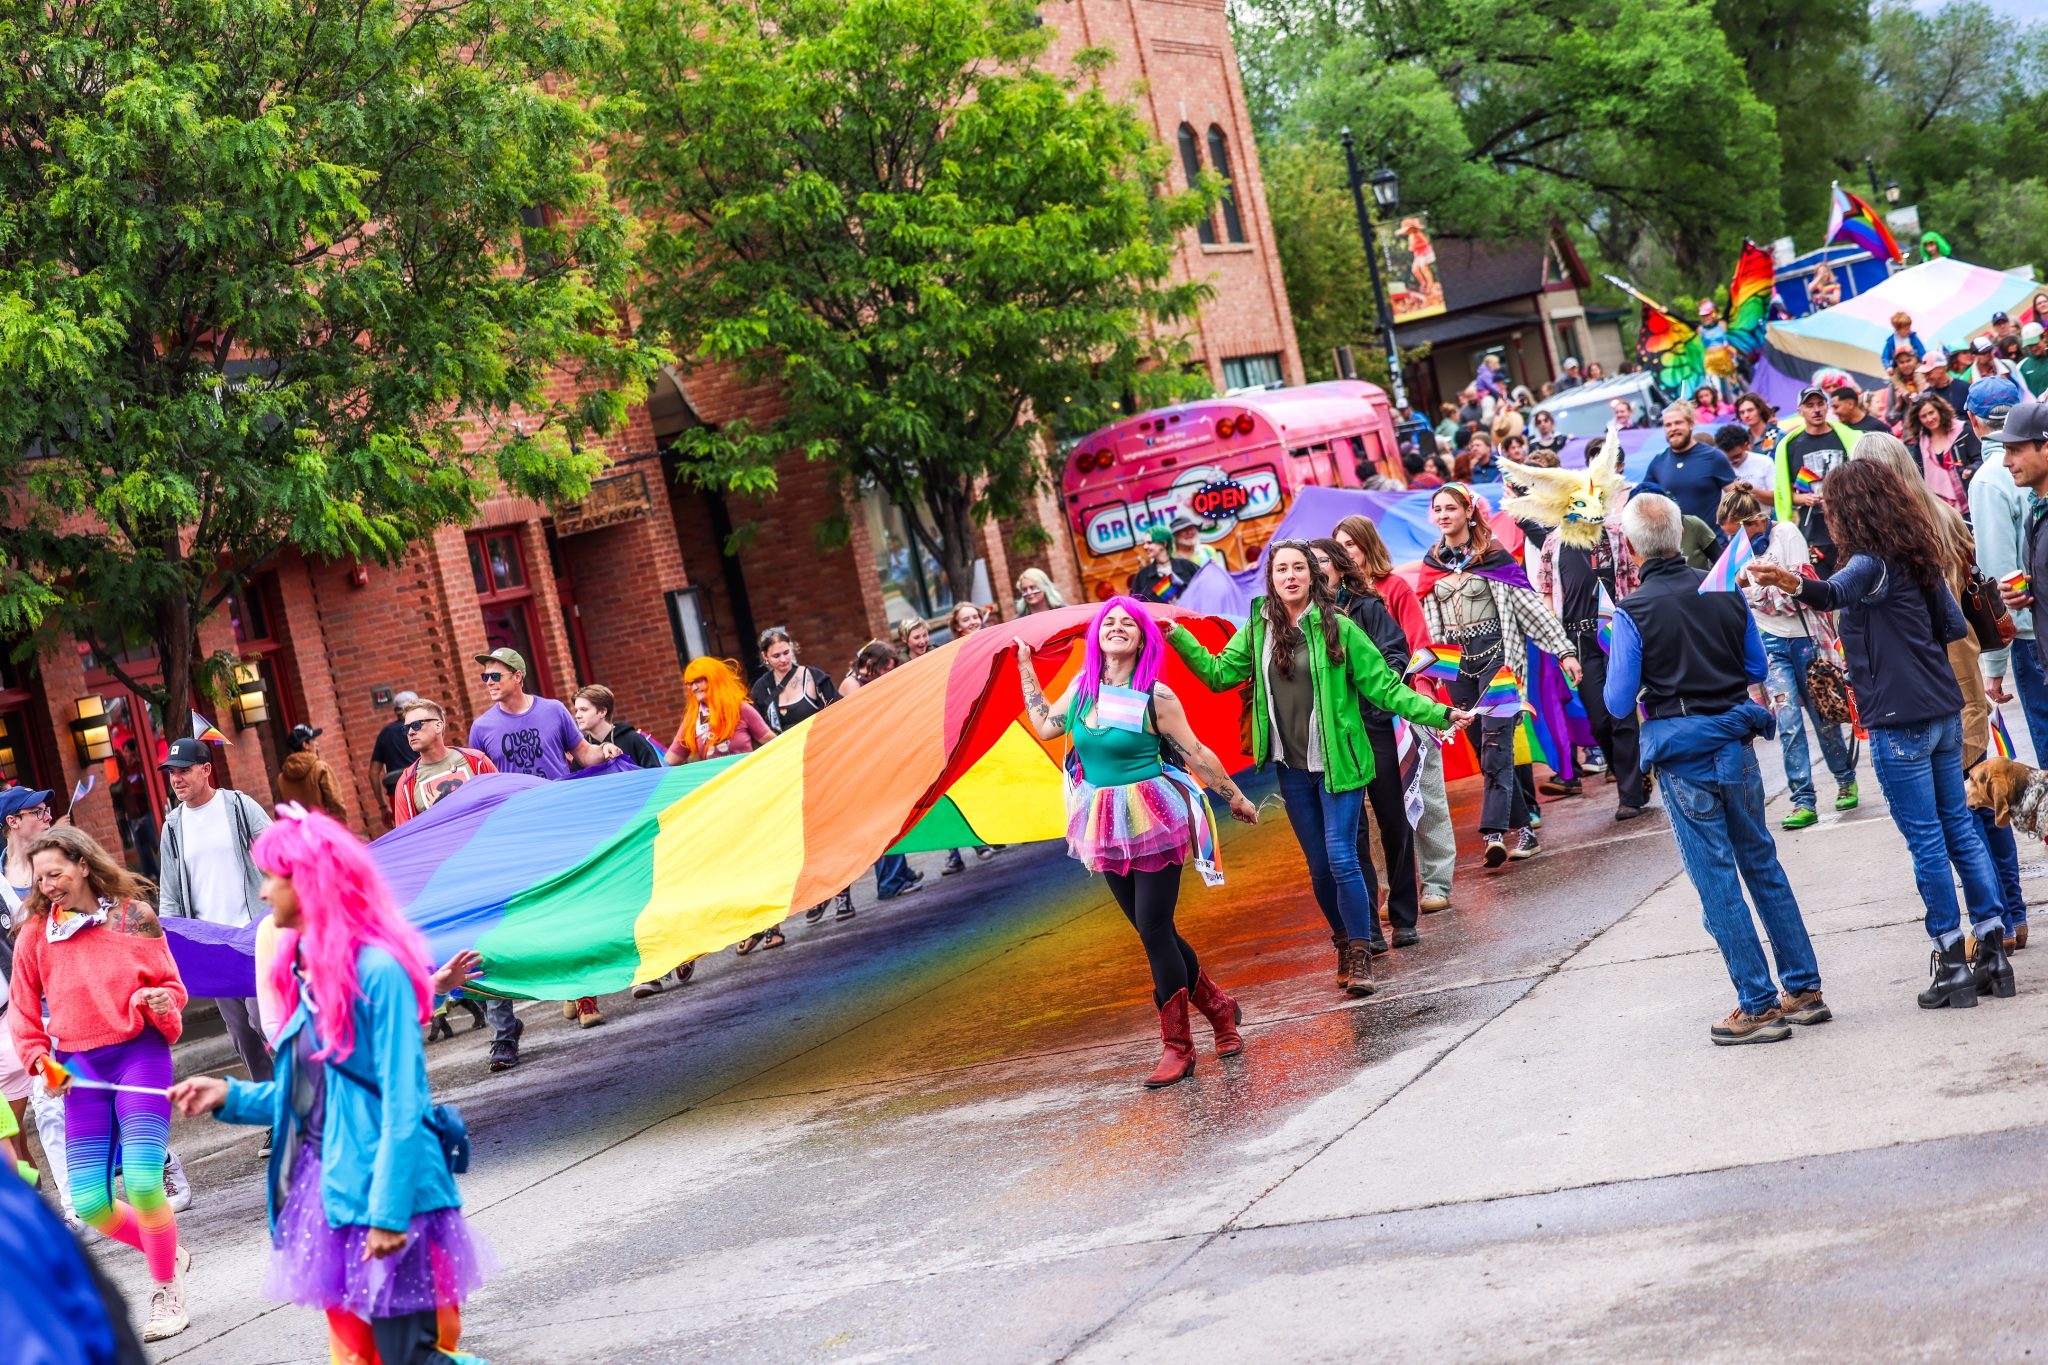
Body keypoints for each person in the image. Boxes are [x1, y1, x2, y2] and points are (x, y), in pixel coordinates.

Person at [168, 807, 491, 1363]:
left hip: (389, 1191)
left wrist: (389, 1212)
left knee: (413, 1356)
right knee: (366, 1355)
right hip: (339, 1192)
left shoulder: (377, 971)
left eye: (274, 877)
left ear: (311, 883)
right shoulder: (311, 974)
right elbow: (308, 1097)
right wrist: (230, 1096)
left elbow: (402, 1103)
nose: (264, 893)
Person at [1750, 457, 2010, 1010]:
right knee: (1959, 829)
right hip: (1942, 710)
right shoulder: (1920, 558)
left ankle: (1951, 963)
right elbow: (1952, 626)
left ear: (1850, 511)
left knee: (1928, 841)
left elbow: (1830, 595)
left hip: (1901, 721)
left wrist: (1790, 580)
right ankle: (1993, 950)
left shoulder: (1869, 563)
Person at [1169, 543, 1470, 994]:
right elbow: (1217, 675)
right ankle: (1345, 943)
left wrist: (1441, 714)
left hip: (1340, 763)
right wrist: (1176, 634)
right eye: (1281, 569)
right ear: (1271, 578)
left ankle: (1363, 953)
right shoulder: (1258, 629)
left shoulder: (1339, 628)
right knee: (1318, 868)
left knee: (1341, 857)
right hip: (1291, 767)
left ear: (1312, 575)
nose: (1289, 576)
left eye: (1297, 568)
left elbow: (1387, 690)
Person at [1606, 495, 1826, 1045]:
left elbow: (1615, 701)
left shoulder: (1633, 609)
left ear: (1632, 548)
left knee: (1717, 880)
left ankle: (1757, 1002)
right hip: (1734, 741)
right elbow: (1755, 664)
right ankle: (1803, 990)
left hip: (1684, 751)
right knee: (1761, 864)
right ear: (1680, 535)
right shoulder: (1721, 588)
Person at [1014, 601, 1256, 1086]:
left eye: (1129, 623)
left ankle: (1177, 1048)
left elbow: (1198, 752)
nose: (1118, 628)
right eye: (1110, 623)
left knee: (1152, 927)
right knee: (1154, 931)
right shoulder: (1082, 691)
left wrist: (1235, 797)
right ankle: (1219, 1007)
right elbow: (1044, 724)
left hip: (1154, 815)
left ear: (1143, 639)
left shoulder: (1155, 695)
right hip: (1102, 819)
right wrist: (1025, 666)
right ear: (1097, 636)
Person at [10, 827, 191, 1339]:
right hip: (79, 1069)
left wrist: (161, 1003)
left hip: (139, 1055)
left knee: (140, 1179)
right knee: (90, 1202)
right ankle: (167, 1250)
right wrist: (47, 1069)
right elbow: (23, 1020)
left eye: (56, 874)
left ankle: (165, 1292)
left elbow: (173, 987)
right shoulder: (35, 936)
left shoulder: (134, 916)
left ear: (83, 865)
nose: (47, 886)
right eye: (39, 878)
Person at [1858, 432, 2027, 950]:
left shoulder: (1896, 534)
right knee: (1987, 803)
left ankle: (1989, 924)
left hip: (1930, 676)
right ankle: (2011, 917)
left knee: (1959, 810)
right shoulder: (1941, 512)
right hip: (1965, 665)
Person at [1418, 486, 1580, 864]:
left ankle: (1492, 831)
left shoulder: (1493, 556)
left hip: (1499, 660)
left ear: (1469, 512)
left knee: (1497, 745)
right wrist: (1428, 678)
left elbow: (1530, 609)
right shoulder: (1433, 563)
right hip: (1458, 667)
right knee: (1481, 745)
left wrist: (1564, 651)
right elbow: (1430, 626)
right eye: (1437, 509)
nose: (1443, 515)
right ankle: (1525, 830)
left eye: (1451, 508)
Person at [468, 645, 616, 1049]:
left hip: (562, 821)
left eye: (495, 676)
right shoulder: (481, 728)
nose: (488, 684)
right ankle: (570, 984)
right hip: (518, 834)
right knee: (544, 913)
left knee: (573, 905)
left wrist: (606, 752)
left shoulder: (553, 711)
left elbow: (582, 754)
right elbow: (482, 785)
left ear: (518, 676)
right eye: (485, 678)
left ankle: (585, 996)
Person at [1511, 445, 1648, 818]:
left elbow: (1633, 581)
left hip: (1617, 633)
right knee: (1599, 718)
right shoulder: (1553, 542)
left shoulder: (1617, 534)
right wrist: (1558, 646)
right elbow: (1544, 593)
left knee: (1622, 714)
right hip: (1577, 640)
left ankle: (1630, 795)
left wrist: (1637, 625)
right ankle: (1624, 770)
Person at [1334, 516, 1457, 914]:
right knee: (1376, 807)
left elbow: (1421, 647)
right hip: (1364, 719)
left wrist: (1419, 699)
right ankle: (1391, 887)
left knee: (1426, 795)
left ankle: (1436, 882)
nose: (1345, 553)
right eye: (1340, 546)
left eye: (1351, 544)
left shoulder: (1394, 588)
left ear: (1368, 546)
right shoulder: (1334, 602)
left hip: (1408, 707)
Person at [1722, 483, 1858, 830]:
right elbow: (1742, 595)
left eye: (1736, 533)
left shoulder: (1786, 532)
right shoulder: (1738, 550)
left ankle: (1844, 778)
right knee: (1787, 723)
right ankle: (1803, 799)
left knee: (1823, 717)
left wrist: (1756, 591)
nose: (1735, 543)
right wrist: (1765, 590)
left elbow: (1800, 590)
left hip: (1806, 640)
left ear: (1752, 521)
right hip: (1770, 643)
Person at [1311, 538, 1421, 952]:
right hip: (1336, 738)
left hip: (1374, 726)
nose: (1315, 569)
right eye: (1310, 563)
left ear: (1340, 567)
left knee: (1393, 822)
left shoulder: (1368, 605)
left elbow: (1396, 654)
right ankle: (1368, 929)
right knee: (1351, 832)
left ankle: (1405, 917)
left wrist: (1377, 685)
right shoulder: (1302, 619)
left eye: (1322, 561)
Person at [156, 736, 275, 1084]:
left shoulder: (239, 806)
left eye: (184, 771)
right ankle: (274, 1110)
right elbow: (170, 896)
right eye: (172, 773)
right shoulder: (173, 827)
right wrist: (173, 946)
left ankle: (306, 1100)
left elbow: (278, 854)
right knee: (243, 1037)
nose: (177, 779)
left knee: (263, 1020)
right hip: (211, 946)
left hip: (254, 935)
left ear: (206, 770)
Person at [1971, 381, 2048, 793]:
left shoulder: (1988, 485)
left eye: (2015, 450)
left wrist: (1995, 663)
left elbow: (1995, 571)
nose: (2006, 461)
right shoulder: (2036, 505)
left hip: (2032, 643)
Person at [750, 629, 855, 926]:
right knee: (804, 839)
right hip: (788, 770)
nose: (783, 659)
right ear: (765, 657)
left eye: (786, 653)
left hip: (822, 763)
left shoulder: (814, 677)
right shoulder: (760, 689)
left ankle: (842, 893)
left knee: (831, 832)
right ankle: (818, 894)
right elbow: (757, 732)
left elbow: (838, 713)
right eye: (776, 655)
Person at [1769, 384, 1863, 576]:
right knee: (1823, 587)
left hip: (1849, 523)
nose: (1816, 409)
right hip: (1813, 529)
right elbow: (1785, 492)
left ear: (1827, 406)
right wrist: (1803, 499)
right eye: (1810, 405)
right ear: (1800, 411)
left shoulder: (1848, 437)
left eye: (1820, 403)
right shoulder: (1790, 445)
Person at [388, 700, 497, 825]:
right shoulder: (406, 783)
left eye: (417, 725)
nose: (411, 732)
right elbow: (406, 836)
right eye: (406, 728)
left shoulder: (476, 761)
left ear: (438, 726)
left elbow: (502, 801)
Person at [1641, 401, 1738, 527]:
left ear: (1691, 424)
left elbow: (1737, 498)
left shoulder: (1714, 456)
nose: (1673, 428)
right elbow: (1642, 498)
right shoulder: (1658, 462)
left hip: (1714, 541)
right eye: (1668, 425)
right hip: (1675, 543)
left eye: (1678, 423)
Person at [667, 657, 773, 765]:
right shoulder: (693, 718)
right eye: (690, 684)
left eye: (698, 681)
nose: (694, 688)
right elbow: (670, 760)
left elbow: (773, 742)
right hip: (718, 780)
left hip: (747, 778)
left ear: (713, 679)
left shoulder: (740, 709)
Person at [1904, 393, 1977, 508]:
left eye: (1931, 413)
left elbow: (1980, 458)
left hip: (1973, 500)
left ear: (1940, 410)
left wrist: (1971, 469)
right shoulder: (1920, 443)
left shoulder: (1963, 430)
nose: (1929, 419)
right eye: (1923, 416)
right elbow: (1919, 474)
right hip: (1943, 509)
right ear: (1918, 420)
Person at [570, 685, 664, 769]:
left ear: (602, 712)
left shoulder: (633, 740)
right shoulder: (582, 751)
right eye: (576, 711)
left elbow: (656, 775)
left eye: (583, 710)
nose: (577, 715)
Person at [367, 690, 422, 824]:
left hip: (396, 795)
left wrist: (383, 807)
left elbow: (373, 773)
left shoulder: (384, 734)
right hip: (423, 789)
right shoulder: (420, 728)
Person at [277, 725, 347, 822]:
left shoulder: (281, 778)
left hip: (298, 834)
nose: (317, 744)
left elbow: (280, 813)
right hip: (323, 830)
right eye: (313, 740)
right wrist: (341, 829)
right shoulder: (321, 768)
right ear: (305, 745)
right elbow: (336, 803)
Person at [1129, 526, 1199, 604]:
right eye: (1144, 543)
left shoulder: (1186, 566)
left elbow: (1204, 586)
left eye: (1149, 543)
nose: (1145, 547)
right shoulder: (1142, 575)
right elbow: (1134, 604)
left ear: (1164, 544)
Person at [1919, 348, 1971, 423]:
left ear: (1941, 368)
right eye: (1924, 375)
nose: (1926, 378)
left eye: (1928, 373)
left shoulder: (1965, 388)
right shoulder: (1926, 396)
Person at [2019, 323, 2048, 399]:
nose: (2034, 348)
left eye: (2035, 343)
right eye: (2030, 345)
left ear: (2044, 336)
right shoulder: (2022, 367)